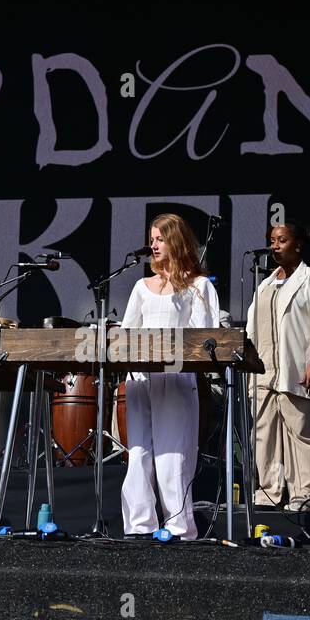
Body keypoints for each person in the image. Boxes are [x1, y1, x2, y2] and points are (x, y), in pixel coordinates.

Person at [120, 213, 219, 540]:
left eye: (160, 239)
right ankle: (139, 525)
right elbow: (126, 335)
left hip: (176, 376)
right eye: (152, 239)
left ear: (176, 241)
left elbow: (206, 337)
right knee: (139, 453)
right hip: (140, 377)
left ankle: (178, 527)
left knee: (173, 453)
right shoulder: (141, 286)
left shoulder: (199, 285)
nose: (153, 245)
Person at [245, 222, 310, 510]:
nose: (274, 246)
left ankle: (305, 494)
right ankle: (268, 493)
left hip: (297, 369)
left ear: (297, 244)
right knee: (264, 435)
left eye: (281, 240)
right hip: (264, 372)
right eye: (272, 240)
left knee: (300, 433)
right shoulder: (264, 285)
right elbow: (251, 330)